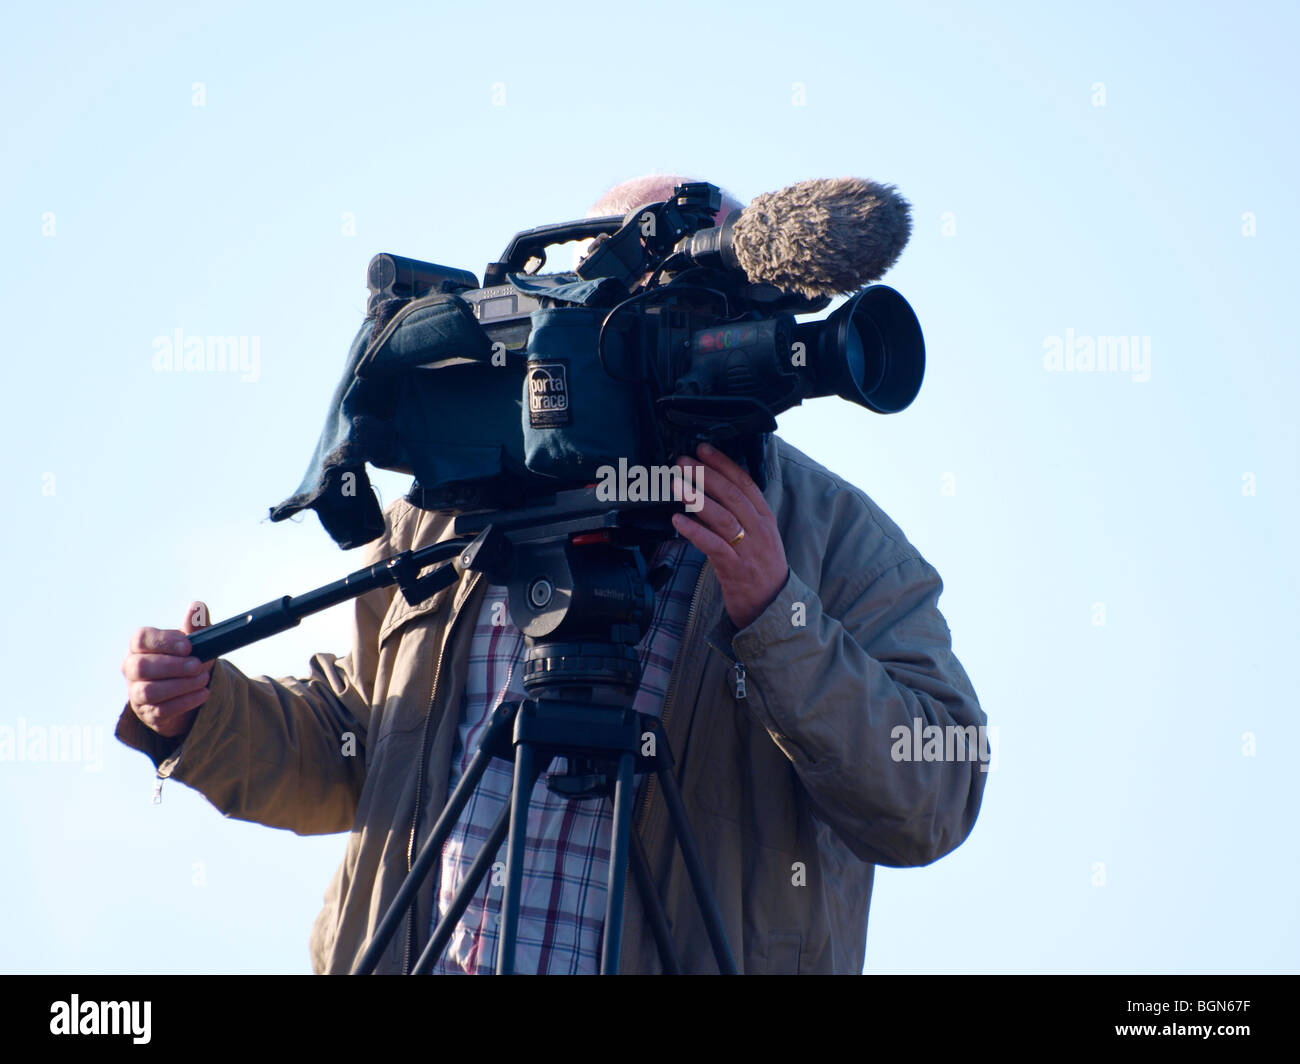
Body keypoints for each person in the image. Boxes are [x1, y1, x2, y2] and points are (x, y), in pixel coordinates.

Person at [117, 175, 990, 974]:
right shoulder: (457, 497)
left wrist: (777, 614)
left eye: (723, 307)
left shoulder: (835, 540)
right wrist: (205, 713)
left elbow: (934, 792)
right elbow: (359, 736)